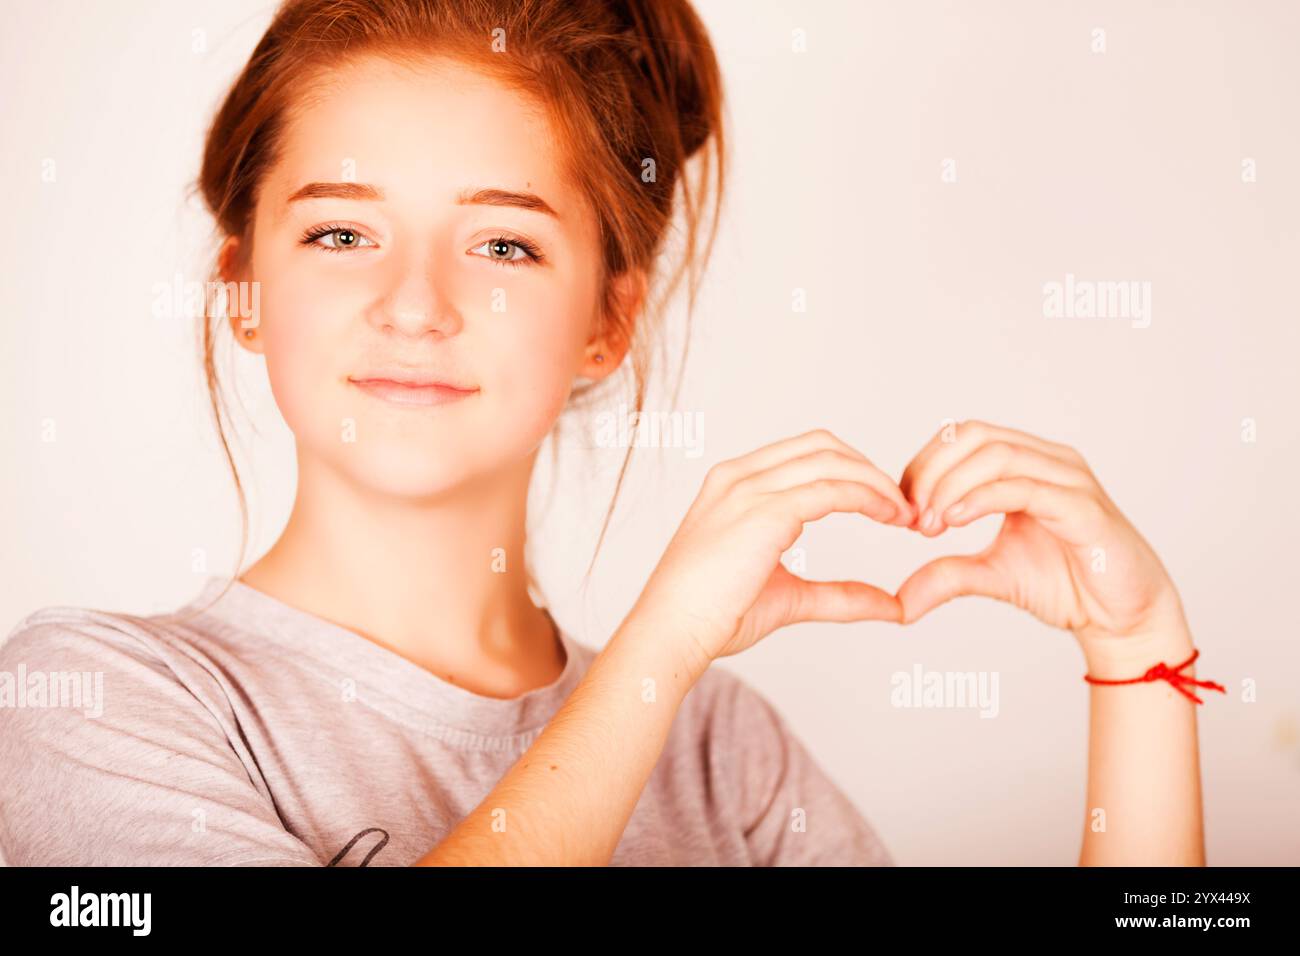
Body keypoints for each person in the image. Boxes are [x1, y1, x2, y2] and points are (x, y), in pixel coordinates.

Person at [0, 0, 1214, 867]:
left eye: (504, 244)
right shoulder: (92, 705)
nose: (414, 304)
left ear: (606, 319)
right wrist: (658, 648)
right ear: (244, 290)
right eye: (339, 233)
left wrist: (1140, 656)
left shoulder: (722, 753)